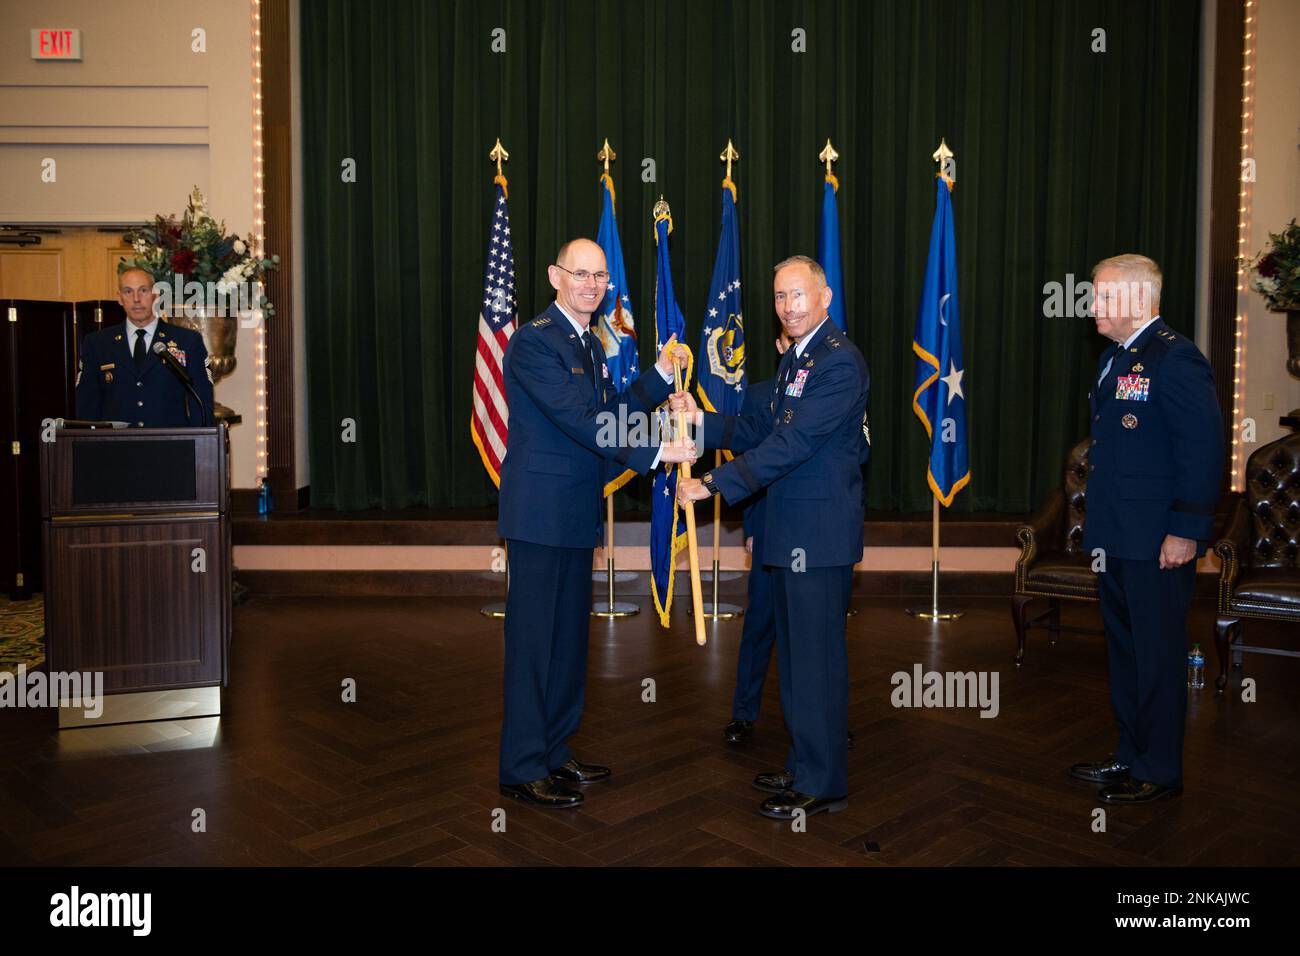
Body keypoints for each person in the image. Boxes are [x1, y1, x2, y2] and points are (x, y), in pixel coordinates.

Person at [496, 237, 694, 810]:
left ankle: (555, 752)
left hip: (574, 512)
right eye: (579, 274)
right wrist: (659, 452)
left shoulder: (588, 342)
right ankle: (522, 766)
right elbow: (585, 422)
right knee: (535, 643)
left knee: (567, 642)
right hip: (539, 516)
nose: (591, 284)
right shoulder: (535, 342)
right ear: (556, 276)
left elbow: (616, 411)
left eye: (600, 276)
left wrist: (658, 378)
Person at [676, 254, 869, 820]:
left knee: (818, 664)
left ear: (824, 296)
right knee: (797, 665)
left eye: (798, 295)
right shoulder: (797, 361)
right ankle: (804, 761)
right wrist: (700, 421)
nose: (788, 307)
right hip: (789, 534)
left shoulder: (838, 363)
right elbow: (761, 428)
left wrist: (711, 482)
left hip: (820, 537)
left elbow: (792, 445)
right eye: (780, 297)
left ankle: (823, 782)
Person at [1069, 254, 1224, 804]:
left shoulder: (1175, 358)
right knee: (1127, 653)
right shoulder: (1118, 357)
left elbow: (1202, 451)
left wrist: (1185, 531)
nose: (1093, 306)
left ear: (1140, 299)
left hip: (1158, 540)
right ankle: (1129, 754)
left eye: (1104, 296)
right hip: (1117, 535)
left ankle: (1158, 770)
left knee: (1157, 655)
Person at [723, 332, 789, 747]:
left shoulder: (837, 385)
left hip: (811, 532)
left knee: (815, 635)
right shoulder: (759, 395)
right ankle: (744, 714)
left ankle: (823, 720)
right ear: (779, 344)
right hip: (767, 527)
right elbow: (747, 464)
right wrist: (749, 528)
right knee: (759, 626)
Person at [76, 266, 213, 426]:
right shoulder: (97, 343)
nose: (136, 299)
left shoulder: (187, 341)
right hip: (115, 447)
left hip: (170, 446)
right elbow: (87, 407)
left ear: (156, 295)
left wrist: (198, 446)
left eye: (143, 290)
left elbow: (201, 403)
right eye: (128, 291)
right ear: (119, 298)